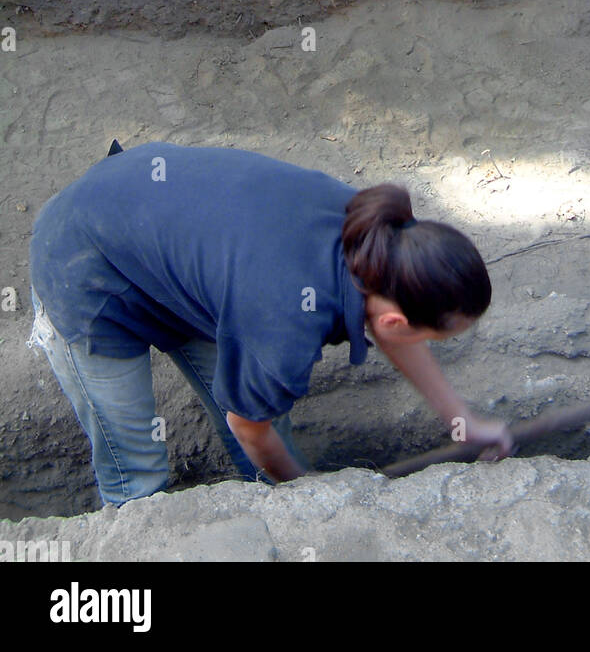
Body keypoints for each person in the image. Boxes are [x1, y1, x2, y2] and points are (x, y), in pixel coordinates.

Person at [29, 140, 513, 506]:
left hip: (159, 242)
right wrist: (306, 494)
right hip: (81, 266)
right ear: (395, 319)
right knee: (137, 473)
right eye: (433, 334)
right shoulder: (284, 325)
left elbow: (393, 328)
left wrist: (461, 419)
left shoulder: (375, 235)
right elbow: (249, 425)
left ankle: (264, 500)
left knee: (260, 415)